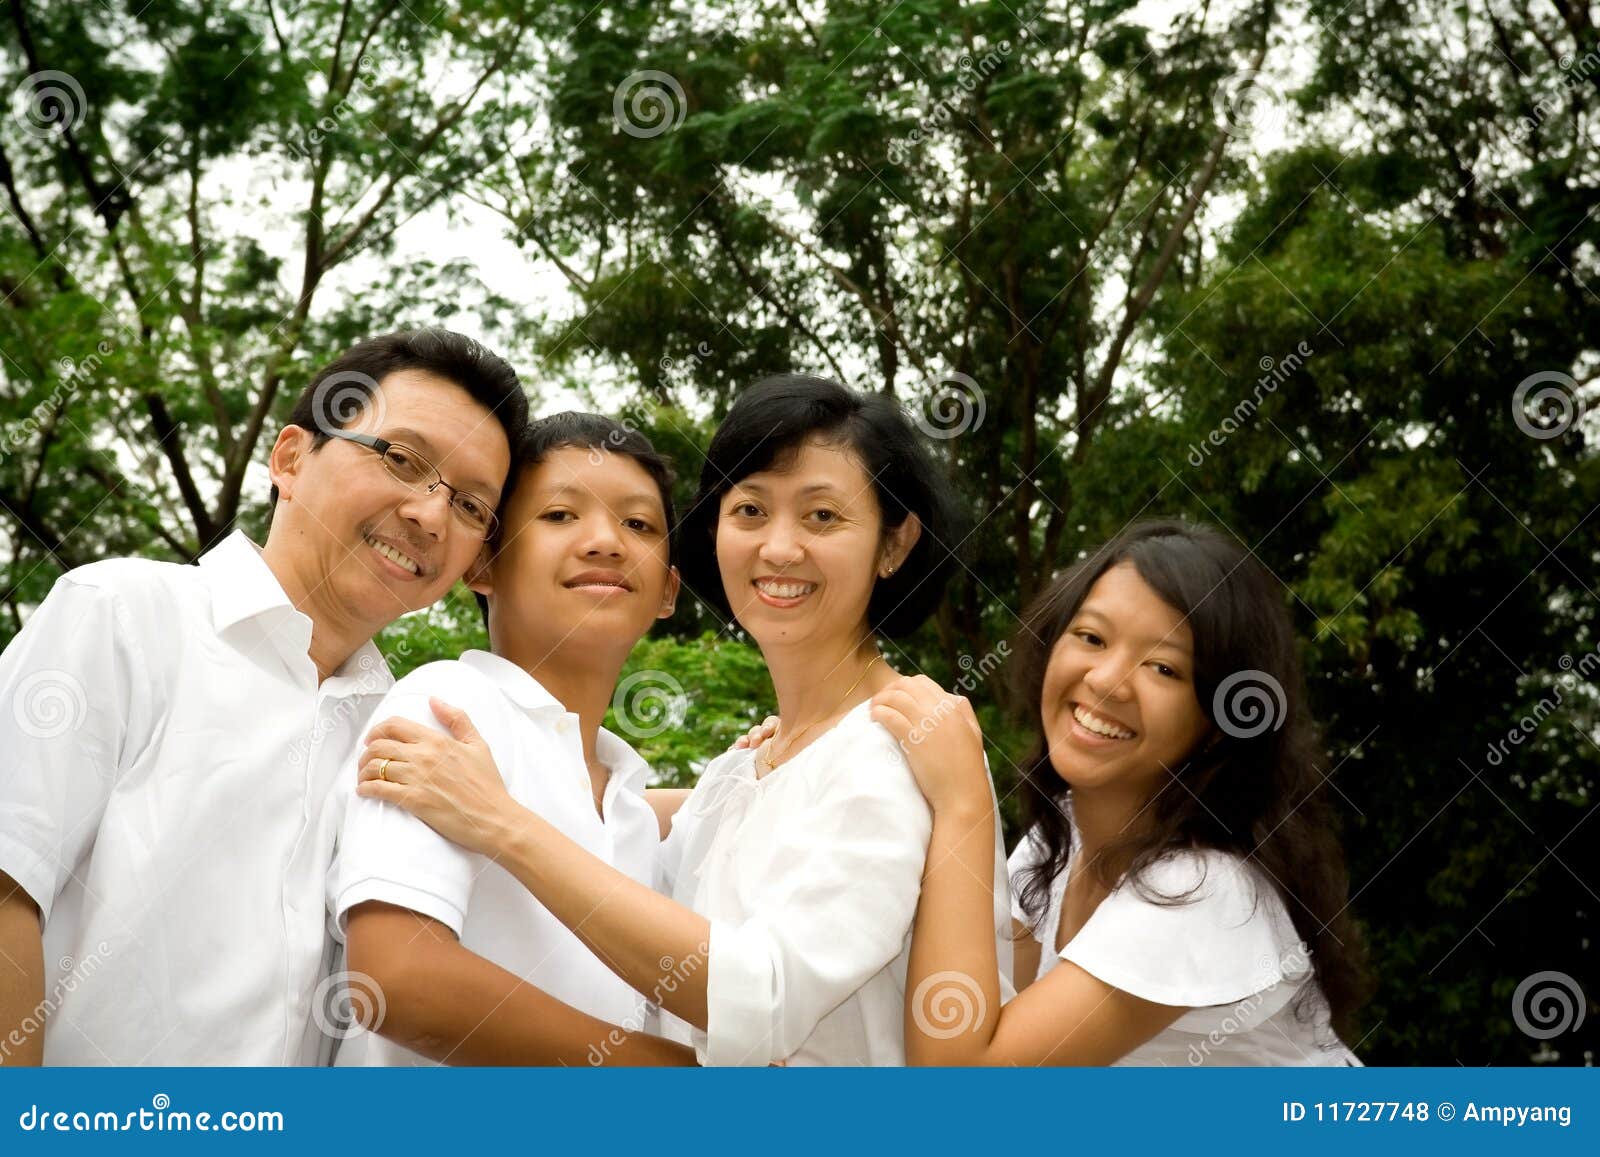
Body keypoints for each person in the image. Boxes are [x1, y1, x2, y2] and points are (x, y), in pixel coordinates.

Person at [352, 373, 1013, 1065]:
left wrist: (502, 822)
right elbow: (618, 826)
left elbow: (765, 999)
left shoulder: (905, 750)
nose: (780, 548)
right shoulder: (723, 777)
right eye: (750, 510)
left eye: (823, 515)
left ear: (894, 543)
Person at [0, 328, 528, 1065]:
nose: (431, 516)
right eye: (403, 460)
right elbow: (8, 882)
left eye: (472, 506)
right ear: (290, 458)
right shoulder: (123, 613)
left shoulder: (401, 730)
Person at [877, 519, 1370, 1065]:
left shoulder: (1203, 892)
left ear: (1220, 722)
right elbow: (965, 1004)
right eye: (1091, 637)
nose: (1107, 679)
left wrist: (964, 801)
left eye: (1163, 667)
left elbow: (956, 1090)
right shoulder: (1059, 838)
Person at [330, 413, 694, 1065]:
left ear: (668, 588)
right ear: (483, 563)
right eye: (560, 515)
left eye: (639, 524)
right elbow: (395, 979)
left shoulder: (630, 808)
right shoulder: (451, 704)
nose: (606, 540)